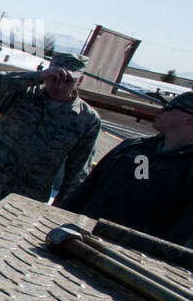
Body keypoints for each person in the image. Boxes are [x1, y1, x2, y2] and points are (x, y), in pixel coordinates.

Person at [0, 51, 101, 236]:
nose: (58, 85)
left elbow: (77, 174)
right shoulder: (23, 94)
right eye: (54, 78)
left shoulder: (86, 119)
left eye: (68, 81)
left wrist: (56, 216)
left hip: (21, 201)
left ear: (79, 82)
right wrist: (35, 77)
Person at [55, 90, 193, 246]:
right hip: (77, 240)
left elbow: (183, 234)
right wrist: (58, 220)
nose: (160, 110)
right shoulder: (133, 147)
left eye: (169, 107)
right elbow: (84, 192)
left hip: (126, 257)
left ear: (188, 119)